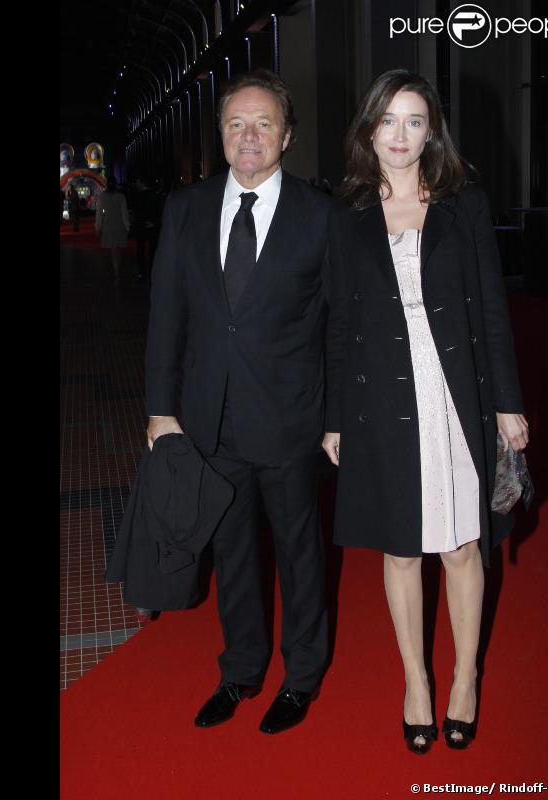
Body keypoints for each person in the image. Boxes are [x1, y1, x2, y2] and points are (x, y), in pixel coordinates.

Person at [322, 70, 529, 755]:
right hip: (381, 399)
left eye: (414, 121)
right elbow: (338, 324)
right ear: (368, 129)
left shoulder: (464, 206)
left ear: (431, 130)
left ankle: (465, 677)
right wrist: (335, 417)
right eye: (388, 120)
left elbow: (492, 310)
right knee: (402, 547)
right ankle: (416, 679)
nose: (400, 135)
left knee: (462, 544)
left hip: (454, 393)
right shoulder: (346, 214)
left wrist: (508, 404)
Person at [145, 69, 333, 735]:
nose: (249, 136)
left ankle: (301, 676)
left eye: (263, 124)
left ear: (287, 135)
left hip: (290, 420)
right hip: (210, 420)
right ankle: (241, 670)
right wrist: (160, 408)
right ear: (220, 134)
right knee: (231, 553)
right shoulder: (185, 209)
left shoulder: (321, 215)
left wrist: (337, 419)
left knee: (300, 554)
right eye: (235, 124)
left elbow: (340, 326)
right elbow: (166, 315)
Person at [95, 181, 131, 286]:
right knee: (118, 249)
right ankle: (117, 271)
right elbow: (124, 213)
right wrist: (127, 227)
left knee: (113, 250)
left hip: (108, 225)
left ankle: (116, 273)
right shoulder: (121, 197)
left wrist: (98, 227)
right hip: (119, 225)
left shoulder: (102, 197)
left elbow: (99, 215)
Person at [128, 176, 163, 283]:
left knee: (141, 250)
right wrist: (153, 222)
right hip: (151, 227)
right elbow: (159, 211)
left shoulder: (136, 196)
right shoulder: (155, 195)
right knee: (152, 250)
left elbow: (134, 212)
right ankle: (152, 271)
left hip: (140, 226)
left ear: (140, 182)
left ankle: (142, 273)